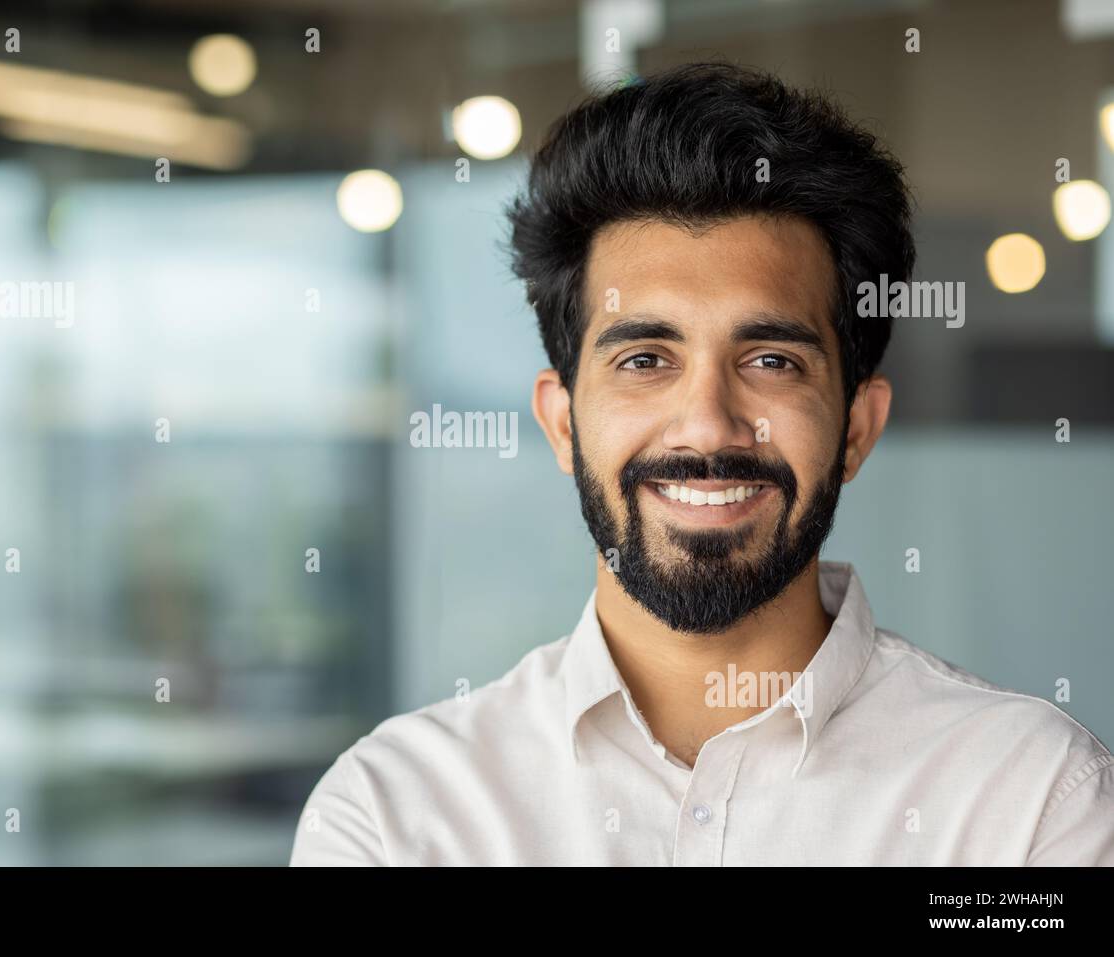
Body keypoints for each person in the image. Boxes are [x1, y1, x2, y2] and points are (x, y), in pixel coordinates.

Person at [290, 61, 1114, 866]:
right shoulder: (393, 817)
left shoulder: (1030, 805)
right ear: (562, 422)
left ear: (858, 427)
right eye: (645, 359)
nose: (708, 424)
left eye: (771, 361)